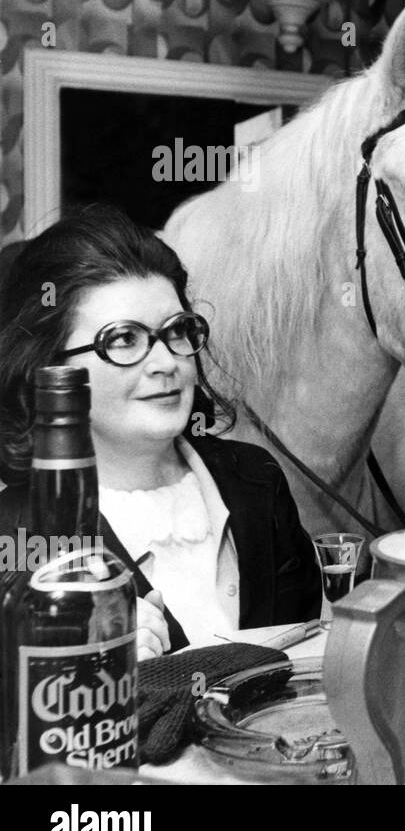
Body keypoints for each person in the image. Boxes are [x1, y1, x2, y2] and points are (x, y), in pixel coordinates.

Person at [0, 206, 321, 658]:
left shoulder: (258, 481)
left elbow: (306, 661)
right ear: (53, 372)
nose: (167, 362)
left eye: (176, 331)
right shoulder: (15, 532)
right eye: (123, 340)